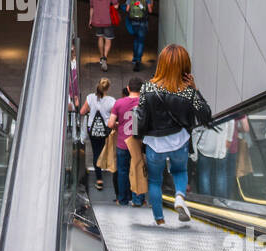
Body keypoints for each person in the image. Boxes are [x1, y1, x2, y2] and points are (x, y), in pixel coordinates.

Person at [134, 44, 213, 226]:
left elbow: (141, 119)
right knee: (180, 170)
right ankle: (179, 196)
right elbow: (206, 116)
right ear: (184, 66)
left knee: (154, 180)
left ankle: (159, 220)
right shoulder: (186, 90)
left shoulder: (148, 88)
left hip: (154, 144)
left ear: (162, 63)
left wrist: (139, 140)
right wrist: (195, 90)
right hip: (180, 142)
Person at [107, 76, 145, 206]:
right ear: (142, 89)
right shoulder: (144, 103)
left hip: (122, 143)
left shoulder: (119, 103)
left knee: (122, 172)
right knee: (138, 169)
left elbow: (110, 123)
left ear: (128, 88)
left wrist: (119, 125)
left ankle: (122, 199)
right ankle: (138, 199)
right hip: (138, 143)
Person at [80, 78, 115, 191]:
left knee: (96, 152)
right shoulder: (111, 101)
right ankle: (106, 166)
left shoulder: (90, 97)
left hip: (93, 130)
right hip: (105, 130)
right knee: (104, 150)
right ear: (108, 88)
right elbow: (115, 116)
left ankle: (99, 180)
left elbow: (82, 112)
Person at [88, 0, 118, 72]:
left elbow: (91, 7)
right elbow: (116, 6)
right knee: (108, 39)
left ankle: (101, 57)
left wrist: (90, 20)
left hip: (97, 19)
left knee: (100, 38)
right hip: (108, 20)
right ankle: (105, 57)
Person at [122, 0, 154, 72]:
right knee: (140, 41)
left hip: (133, 22)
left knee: (136, 39)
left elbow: (127, 9)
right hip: (143, 22)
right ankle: (138, 61)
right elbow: (150, 10)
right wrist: (151, 3)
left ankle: (134, 58)